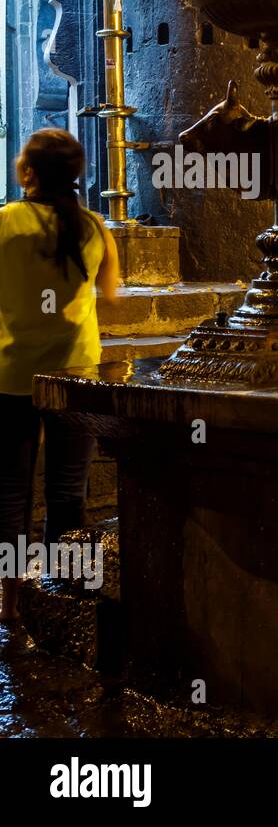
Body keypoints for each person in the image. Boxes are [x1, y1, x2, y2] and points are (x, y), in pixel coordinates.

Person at [1, 130, 120, 622]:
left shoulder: (6, 223)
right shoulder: (94, 227)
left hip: (8, 376)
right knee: (68, 491)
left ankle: (9, 603)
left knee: (9, 493)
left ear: (28, 172)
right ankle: (60, 596)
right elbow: (110, 293)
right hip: (75, 375)